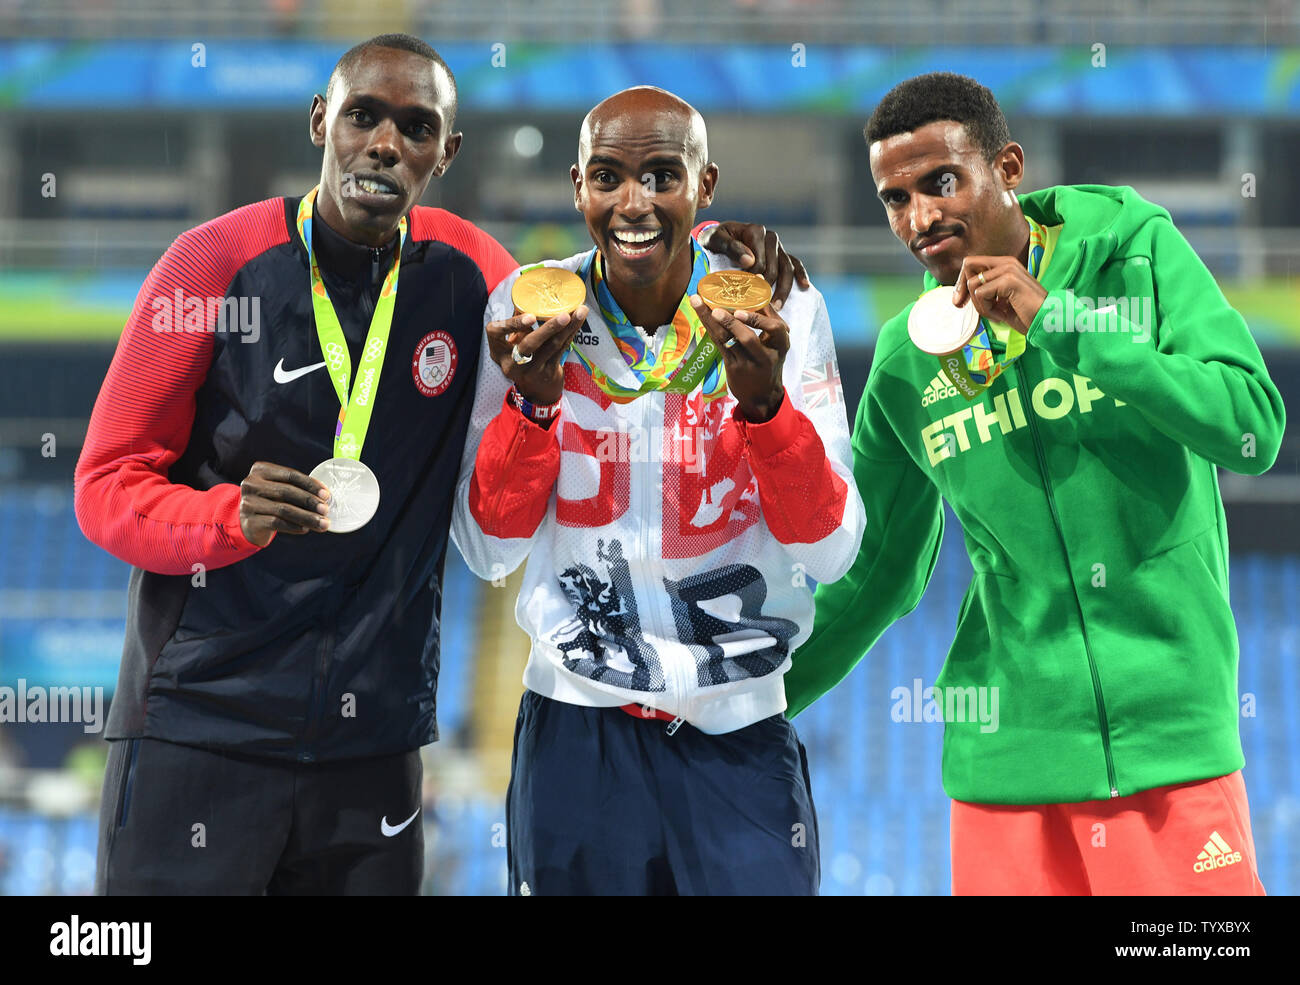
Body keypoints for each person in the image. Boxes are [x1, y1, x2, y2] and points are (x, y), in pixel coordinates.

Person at [74, 33, 802, 895]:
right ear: (322, 122)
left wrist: (714, 245)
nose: (385, 142)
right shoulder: (210, 265)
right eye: (363, 116)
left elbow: (598, 281)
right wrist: (224, 517)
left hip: (373, 748)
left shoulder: (469, 277)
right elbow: (103, 486)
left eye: (416, 127)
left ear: (445, 152)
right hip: (198, 731)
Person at [785, 72, 1286, 895]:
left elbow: (1251, 424)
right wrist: (751, 705)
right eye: (894, 198)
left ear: (1007, 166)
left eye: (940, 182)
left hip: (1170, 748)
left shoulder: (1133, 250)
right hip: (1004, 766)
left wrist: (1062, 324)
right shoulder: (910, 364)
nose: (919, 219)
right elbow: (870, 574)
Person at [452, 85, 865, 896]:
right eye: (607, 176)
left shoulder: (783, 307)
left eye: (662, 175)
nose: (633, 203)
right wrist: (532, 408)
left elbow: (833, 547)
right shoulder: (523, 310)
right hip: (574, 731)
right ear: (577, 187)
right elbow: (487, 549)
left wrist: (766, 408)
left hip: (738, 733)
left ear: (705, 185)